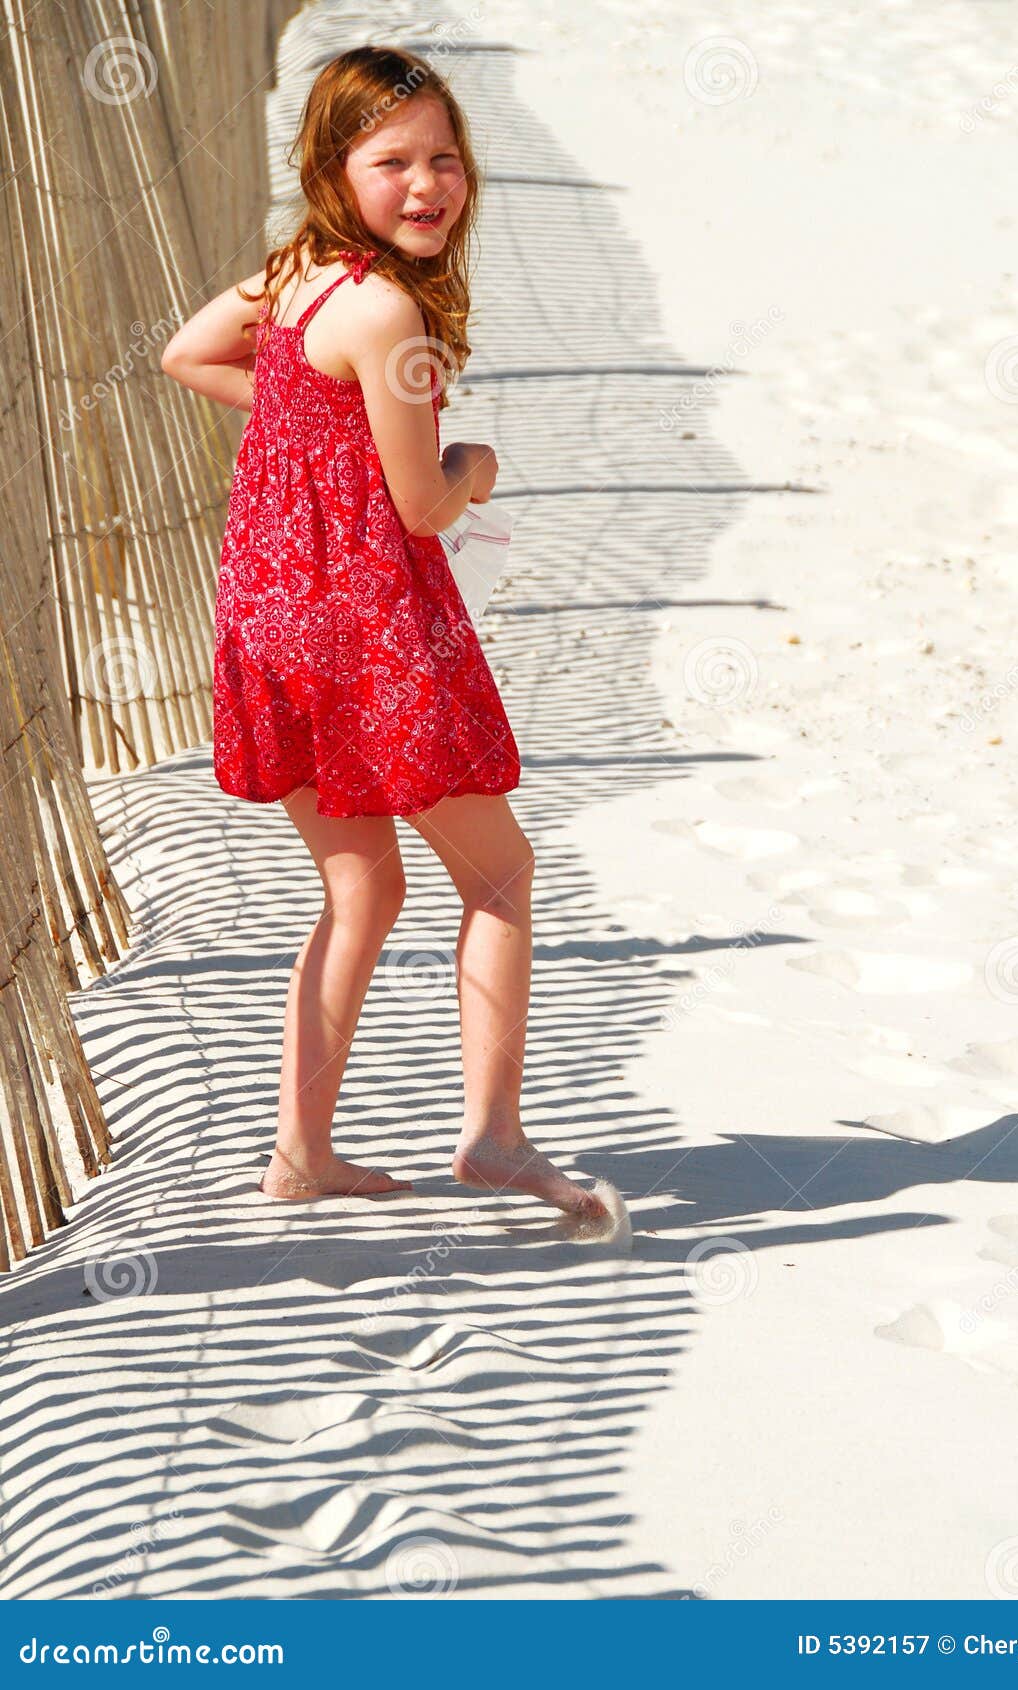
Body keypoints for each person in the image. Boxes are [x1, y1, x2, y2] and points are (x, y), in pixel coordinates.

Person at [161, 44, 610, 1223]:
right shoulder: (389, 309)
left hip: (268, 618)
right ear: (330, 168)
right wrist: (474, 463)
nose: (427, 185)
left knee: (360, 888)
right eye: (392, 162)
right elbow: (421, 505)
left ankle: (300, 1153)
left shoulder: (298, 275)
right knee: (502, 874)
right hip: (364, 635)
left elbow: (186, 352)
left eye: (445, 159)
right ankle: (496, 1137)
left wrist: (324, 423)